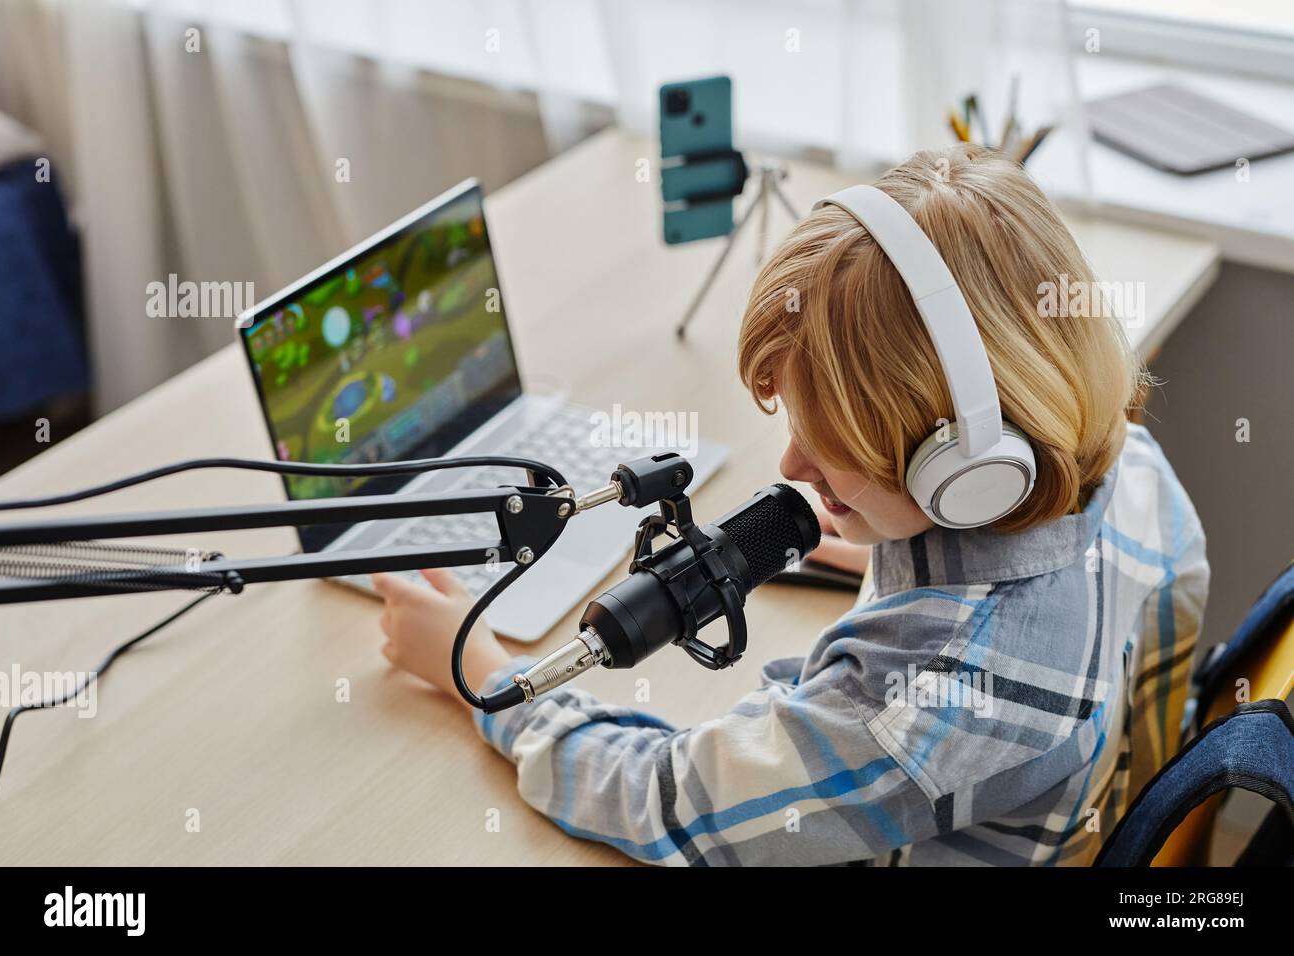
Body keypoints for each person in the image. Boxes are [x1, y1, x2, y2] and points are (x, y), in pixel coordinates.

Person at [369, 143, 1209, 865]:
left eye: (831, 447)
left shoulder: (923, 702)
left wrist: (478, 667)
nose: (790, 464)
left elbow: (670, 803)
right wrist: (861, 540)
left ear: (962, 468)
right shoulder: (1127, 465)